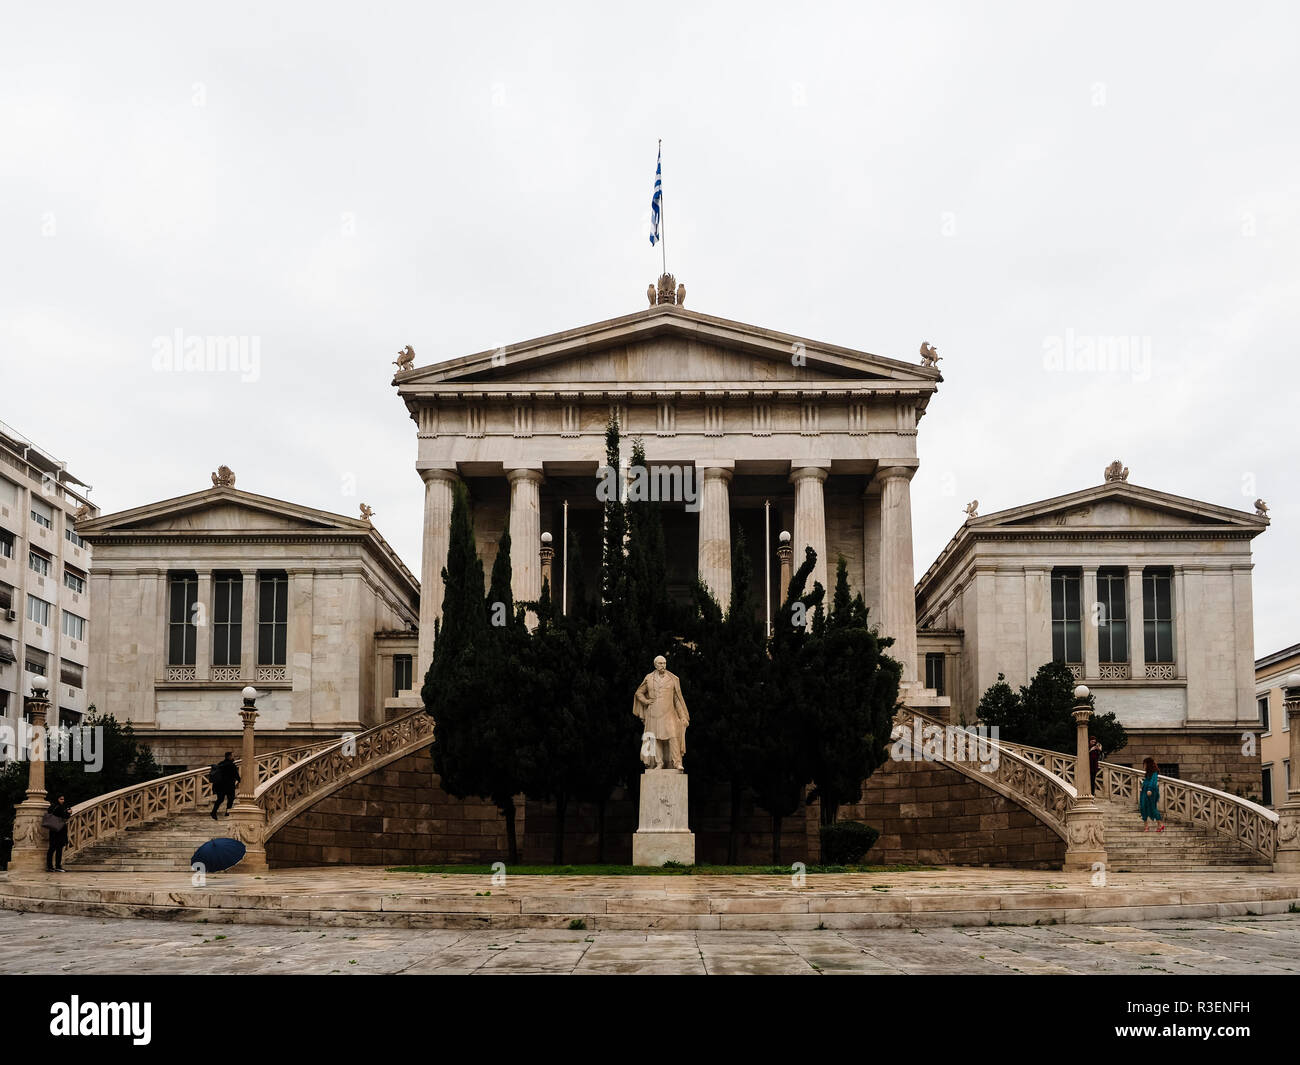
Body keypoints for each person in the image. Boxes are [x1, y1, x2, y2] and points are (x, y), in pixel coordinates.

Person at [210, 751, 240, 819]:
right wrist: (241, 781)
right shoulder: (232, 765)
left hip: (219, 786)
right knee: (231, 799)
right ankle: (227, 812)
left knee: (220, 799)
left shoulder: (220, 764)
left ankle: (213, 812)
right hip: (229, 786)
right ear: (229, 757)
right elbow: (236, 776)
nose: (233, 757)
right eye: (232, 756)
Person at [1139, 756, 1164, 832]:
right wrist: (1142, 786)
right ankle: (1146, 826)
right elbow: (1147, 781)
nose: (1144, 765)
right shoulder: (1148, 773)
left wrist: (1149, 789)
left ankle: (1160, 824)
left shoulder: (1154, 772)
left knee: (1152, 808)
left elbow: (1153, 782)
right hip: (1144, 791)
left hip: (1151, 792)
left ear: (1148, 764)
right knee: (1143, 807)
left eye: (1145, 764)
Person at [45, 795, 70, 872]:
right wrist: (68, 812)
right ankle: (56, 866)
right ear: (57, 799)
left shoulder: (52, 807)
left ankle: (51, 866)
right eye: (61, 799)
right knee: (56, 848)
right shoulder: (58, 807)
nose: (63, 801)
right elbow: (64, 817)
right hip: (58, 830)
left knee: (53, 848)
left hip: (54, 830)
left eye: (63, 799)